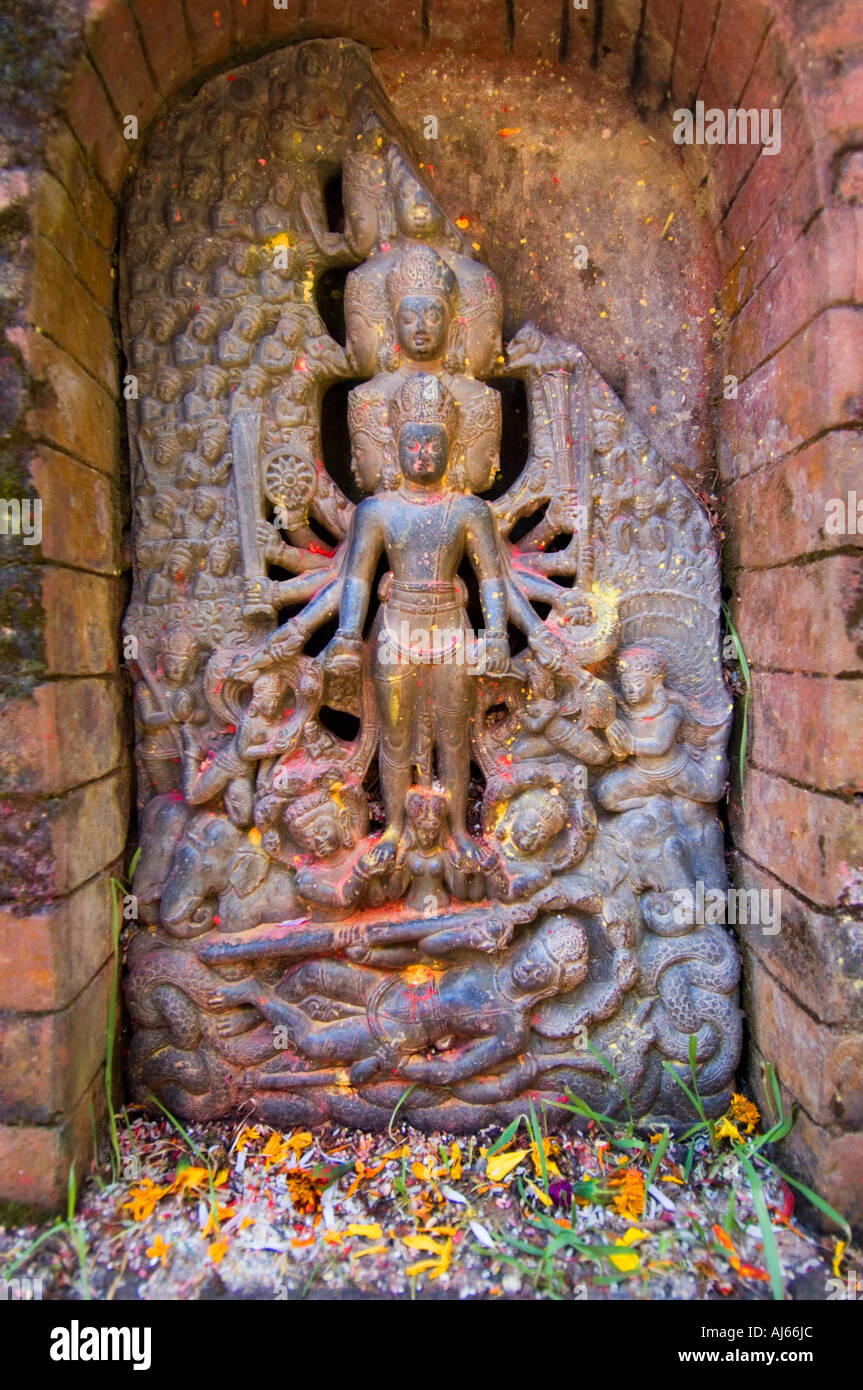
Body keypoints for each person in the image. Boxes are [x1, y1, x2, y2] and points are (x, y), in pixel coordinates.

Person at [206, 914, 589, 1087]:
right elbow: (428, 950)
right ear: (527, 946)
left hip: (397, 1031)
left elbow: (454, 1070)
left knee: (312, 1042)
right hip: (391, 986)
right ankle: (255, 1017)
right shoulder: (488, 956)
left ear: (550, 987)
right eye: (532, 957)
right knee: (311, 974)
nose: (528, 970)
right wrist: (471, 936)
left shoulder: (512, 1029)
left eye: (541, 972)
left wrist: (404, 1064)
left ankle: (254, 997)